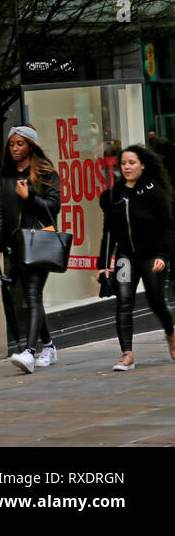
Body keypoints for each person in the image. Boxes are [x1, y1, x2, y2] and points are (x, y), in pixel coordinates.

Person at [0, 125, 62, 374]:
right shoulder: (5, 174)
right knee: (32, 298)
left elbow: (54, 208)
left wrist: (29, 195)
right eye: (12, 144)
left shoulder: (45, 172)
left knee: (32, 295)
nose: (15, 148)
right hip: (14, 245)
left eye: (20, 143)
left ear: (31, 145)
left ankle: (30, 352)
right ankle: (49, 346)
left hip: (39, 241)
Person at [97, 144, 175, 371]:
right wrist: (103, 265)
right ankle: (127, 354)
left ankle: (170, 334)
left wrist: (164, 255)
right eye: (123, 163)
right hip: (125, 257)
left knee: (156, 301)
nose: (127, 167)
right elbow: (108, 232)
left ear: (142, 164)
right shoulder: (116, 194)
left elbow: (169, 227)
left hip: (152, 256)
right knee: (123, 302)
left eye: (132, 163)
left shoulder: (153, 190)